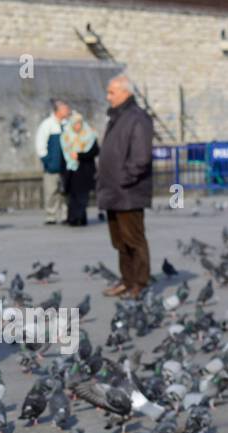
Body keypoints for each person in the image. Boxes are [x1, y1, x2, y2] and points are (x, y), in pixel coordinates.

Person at [97, 75, 154, 298]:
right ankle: (127, 279)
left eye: (111, 92)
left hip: (128, 191)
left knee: (134, 239)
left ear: (125, 93)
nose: (107, 96)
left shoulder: (137, 118)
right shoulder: (117, 117)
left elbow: (141, 157)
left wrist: (124, 179)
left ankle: (139, 283)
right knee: (120, 241)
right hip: (112, 190)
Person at [35, 99, 70, 225]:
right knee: (51, 191)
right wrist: (47, 161)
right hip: (52, 164)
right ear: (58, 111)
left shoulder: (67, 124)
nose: (67, 111)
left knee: (65, 191)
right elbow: (41, 144)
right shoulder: (48, 124)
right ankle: (51, 215)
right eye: (65, 109)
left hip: (66, 165)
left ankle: (65, 214)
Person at [61, 112, 99, 227]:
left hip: (85, 169)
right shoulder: (66, 136)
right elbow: (63, 153)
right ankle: (72, 218)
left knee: (83, 196)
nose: (77, 126)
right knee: (72, 197)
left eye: (79, 123)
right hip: (71, 170)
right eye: (75, 124)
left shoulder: (89, 135)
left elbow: (95, 151)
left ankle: (81, 217)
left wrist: (80, 155)